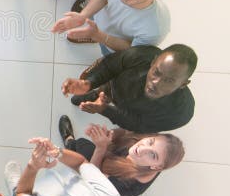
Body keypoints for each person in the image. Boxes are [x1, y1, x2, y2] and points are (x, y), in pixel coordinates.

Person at [62, 43, 197, 134]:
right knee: (93, 94)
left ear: (183, 84)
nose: (156, 82)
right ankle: (96, 94)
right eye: (156, 72)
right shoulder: (141, 55)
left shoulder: (180, 113)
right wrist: (89, 83)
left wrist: (106, 110)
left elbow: (139, 125)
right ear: (153, 62)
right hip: (113, 87)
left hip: (132, 113)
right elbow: (110, 65)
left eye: (168, 80)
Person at [58, 120, 185, 196]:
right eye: (150, 141)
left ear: (157, 167)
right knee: (82, 147)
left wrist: (100, 148)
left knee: (82, 146)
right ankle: (72, 147)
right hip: (112, 158)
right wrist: (110, 134)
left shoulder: (128, 184)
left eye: (152, 155)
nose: (142, 148)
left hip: (99, 178)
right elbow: (126, 132)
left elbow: (93, 181)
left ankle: (70, 143)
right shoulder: (148, 137)